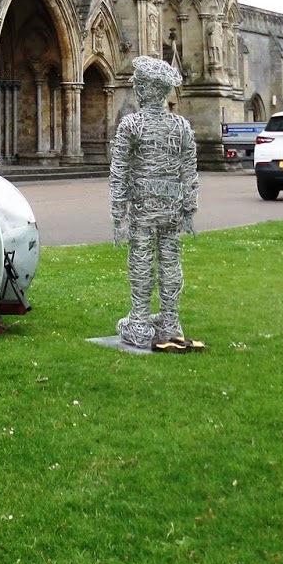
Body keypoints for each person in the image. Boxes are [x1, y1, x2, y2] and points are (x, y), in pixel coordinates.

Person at [109, 55, 205, 353]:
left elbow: (120, 170)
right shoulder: (180, 126)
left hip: (144, 206)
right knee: (170, 260)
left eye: (138, 85)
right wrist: (189, 208)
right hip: (172, 206)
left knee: (141, 259)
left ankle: (139, 321)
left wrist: (118, 214)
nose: (136, 89)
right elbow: (189, 170)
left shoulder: (131, 125)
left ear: (146, 89)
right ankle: (169, 320)